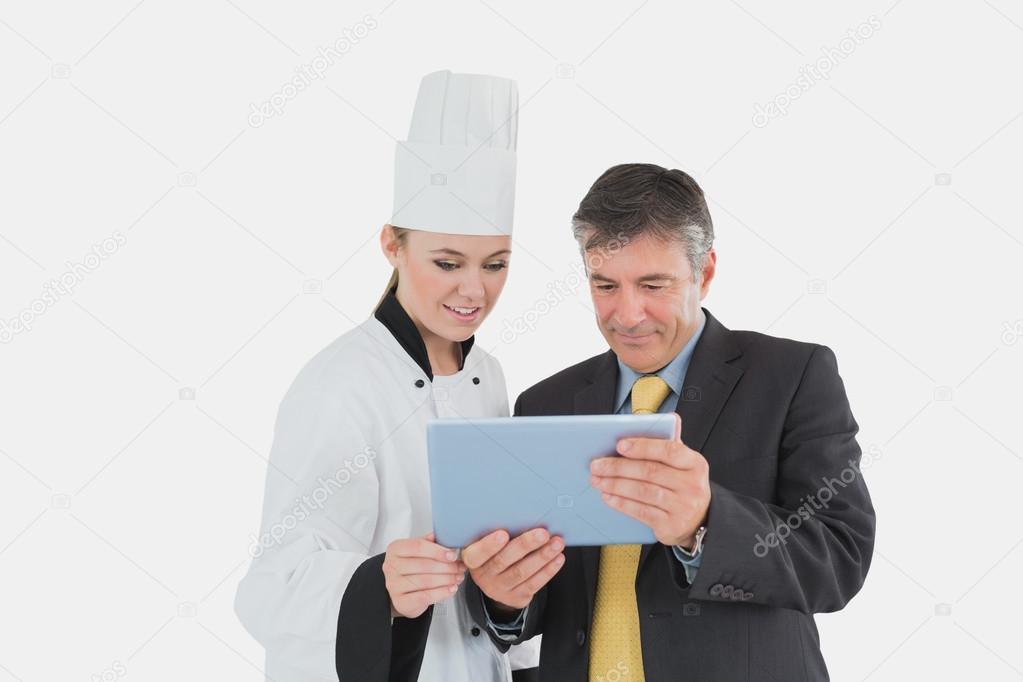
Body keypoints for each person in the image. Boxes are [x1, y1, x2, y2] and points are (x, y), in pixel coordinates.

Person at [461, 163, 876, 681]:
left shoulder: (792, 376)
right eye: (605, 284)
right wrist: (505, 599)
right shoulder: (546, 403)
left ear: (704, 273)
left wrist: (704, 523)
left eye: (653, 284)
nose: (627, 314)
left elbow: (840, 557)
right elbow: (543, 600)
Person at [233, 70, 539, 682]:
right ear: (391, 246)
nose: (474, 290)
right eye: (447, 262)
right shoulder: (338, 384)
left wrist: (510, 598)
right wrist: (381, 583)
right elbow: (269, 588)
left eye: (496, 264)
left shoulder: (492, 376)